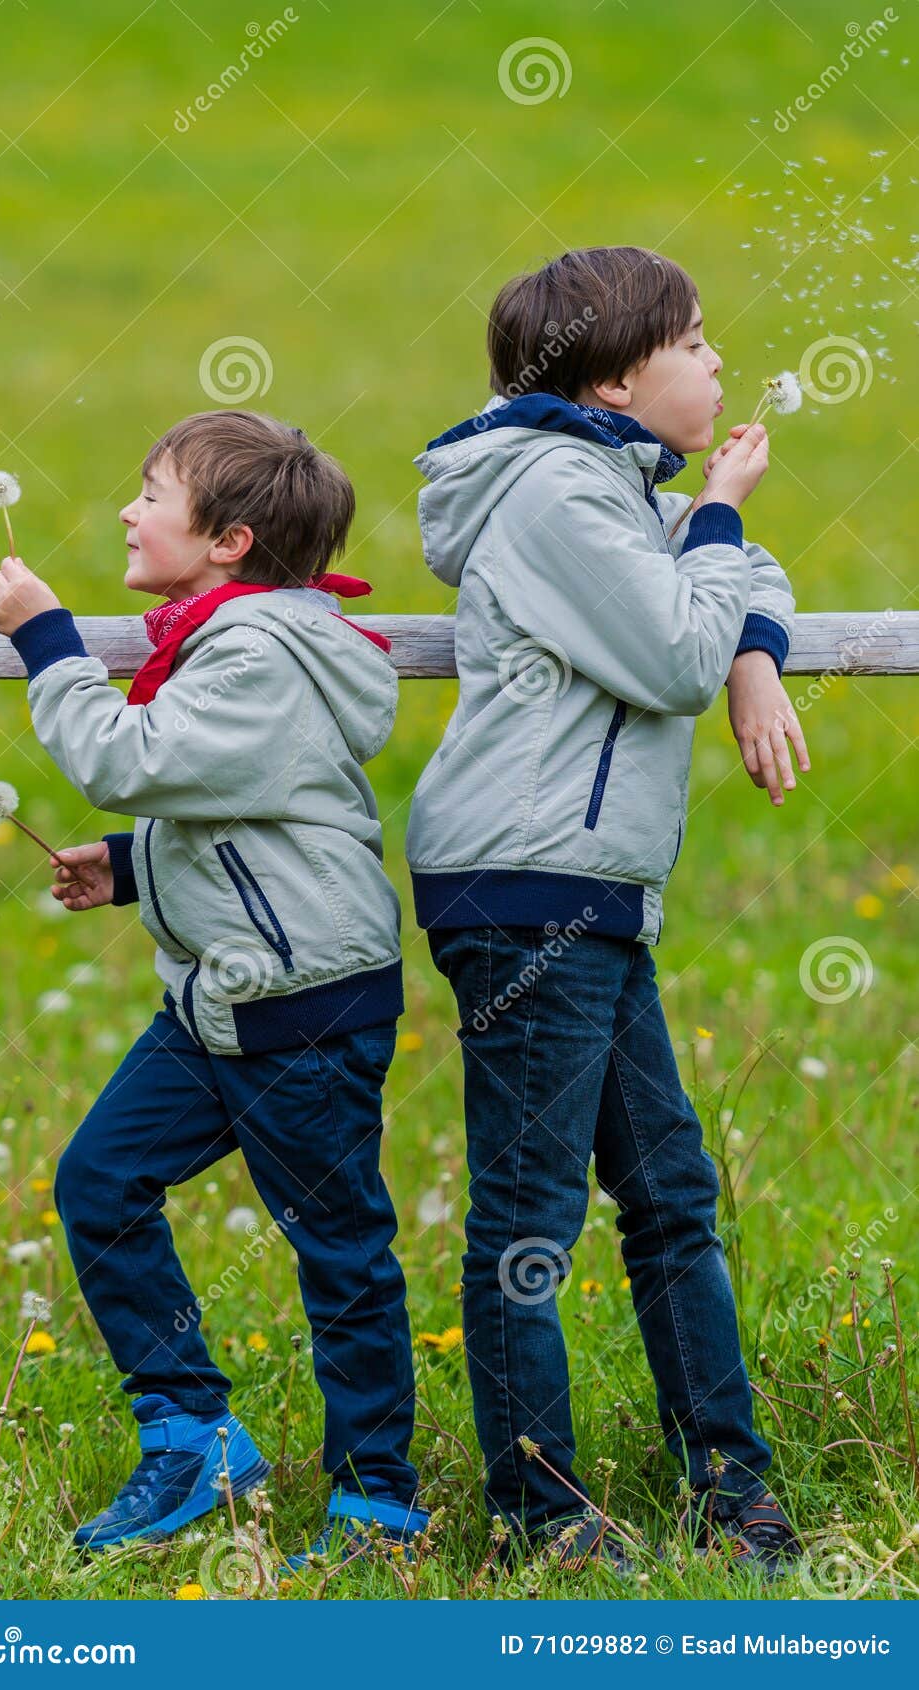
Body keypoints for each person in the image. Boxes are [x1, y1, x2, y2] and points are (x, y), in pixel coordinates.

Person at [405, 246, 810, 1579]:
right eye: (691, 341)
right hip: (526, 891)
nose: (715, 361)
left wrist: (755, 651)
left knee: (668, 1193)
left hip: (586, 892)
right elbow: (677, 647)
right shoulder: (556, 496)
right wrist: (720, 522)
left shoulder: (612, 489)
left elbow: (739, 590)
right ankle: (539, 1520)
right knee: (528, 1219)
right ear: (618, 380)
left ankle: (729, 1488)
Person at [0, 409, 426, 1559]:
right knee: (102, 1180)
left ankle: (376, 1500)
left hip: (299, 1006)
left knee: (337, 1251)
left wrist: (47, 640)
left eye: (150, 493)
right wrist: (133, 866)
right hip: (218, 999)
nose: (127, 511)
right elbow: (252, 804)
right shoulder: (228, 638)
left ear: (228, 541)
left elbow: (127, 760)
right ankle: (192, 1436)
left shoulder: (256, 653)